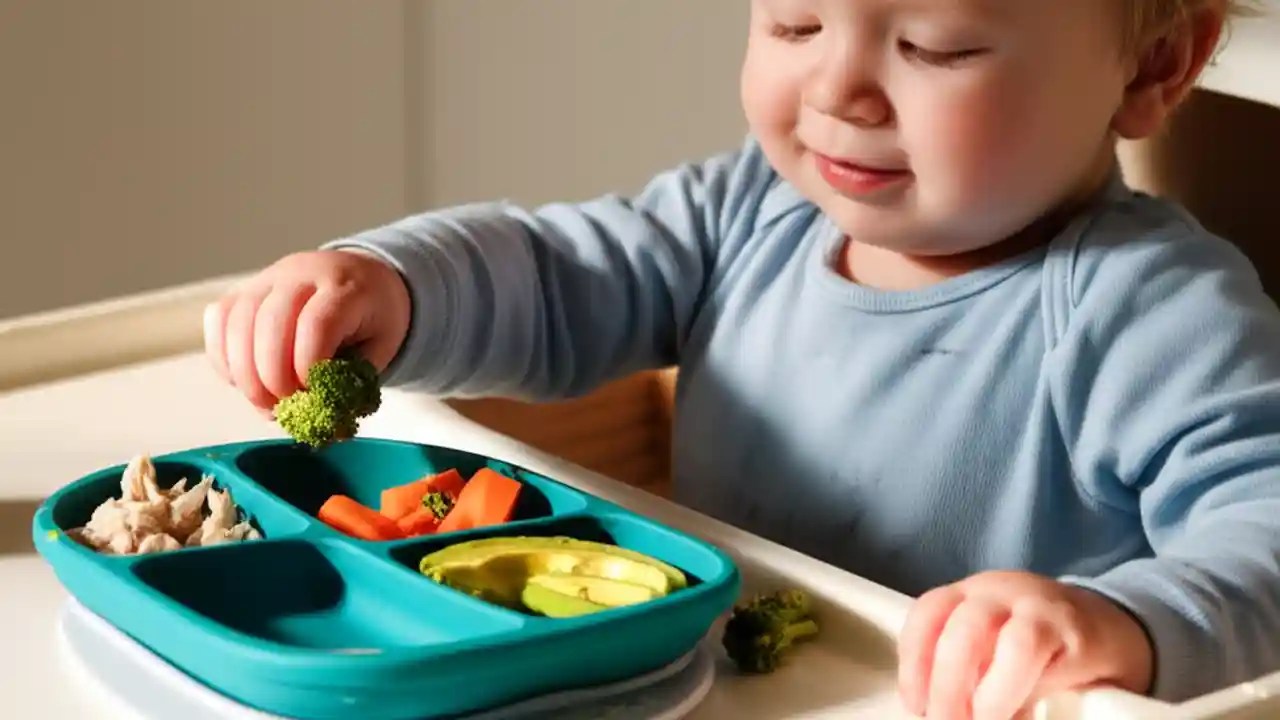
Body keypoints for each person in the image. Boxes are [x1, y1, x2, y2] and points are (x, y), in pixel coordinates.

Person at [204, 1, 1277, 717]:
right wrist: (390, 284)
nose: (839, 90)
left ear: (1150, 64)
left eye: (934, 45)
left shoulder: (1151, 312)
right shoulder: (746, 214)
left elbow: (1266, 534)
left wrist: (1127, 623)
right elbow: (558, 273)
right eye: (794, 19)